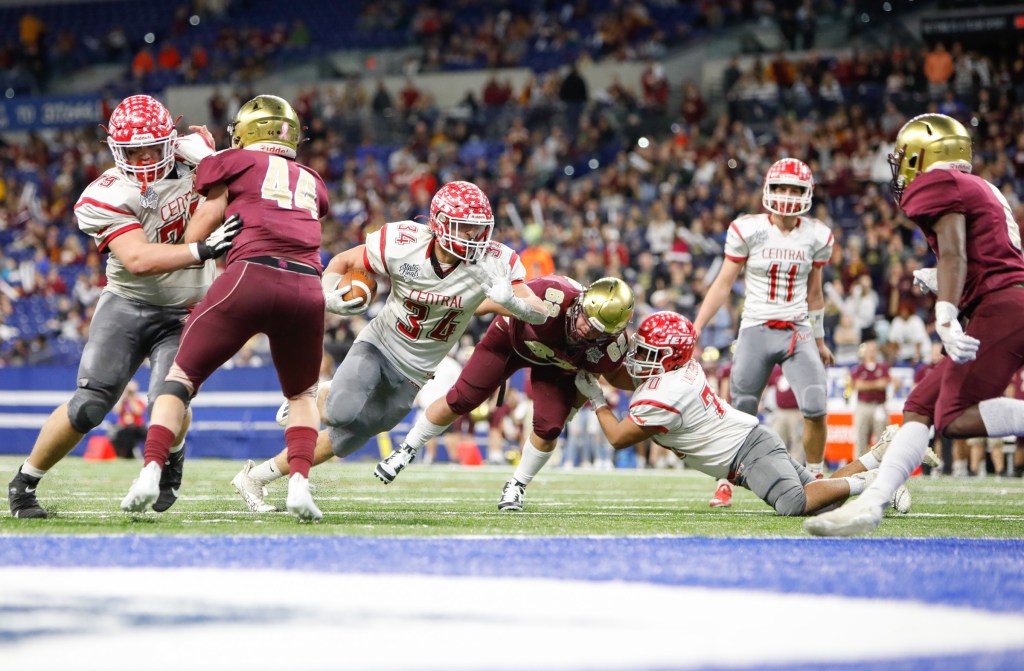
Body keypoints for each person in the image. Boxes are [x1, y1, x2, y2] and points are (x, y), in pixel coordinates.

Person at [230, 180, 551, 513]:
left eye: (480, 228)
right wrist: (329, 296)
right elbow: (342, 262)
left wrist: (514, 301)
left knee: (347, 439)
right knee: (341, 411)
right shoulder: (404, 242)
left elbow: (539, 312)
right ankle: (317, 395)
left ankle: (256, 478)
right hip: (380, 345)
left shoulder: (494, 263)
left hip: (416, 372)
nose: (474, 237)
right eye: (465, 227)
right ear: (440, 224)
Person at [7, 94, 238, 519]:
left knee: (169, 397)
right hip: (128, 302)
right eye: (134, 150)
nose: (146, 157)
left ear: (171, 139)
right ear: (116, 149)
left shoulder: (198, 157)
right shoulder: (107, 193)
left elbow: (245, 182)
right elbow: (138, 260)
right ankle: (24, 482)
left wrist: (220, 161)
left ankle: (174, 453)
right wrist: (203, 249)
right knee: (90, 403)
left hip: (186, 308)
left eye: (154, 147)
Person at [806, 113, 1024, 536]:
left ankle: (870, 503)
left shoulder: (939, 183)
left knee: (953, 418)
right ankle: (870, 505)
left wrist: (945, 309)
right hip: (1001, 301)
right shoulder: (980, 186)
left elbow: (958, 253)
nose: (902, 167)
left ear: (927, 155)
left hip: (1001, 305)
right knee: (920, 408)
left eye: (907, 157)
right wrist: (943, 278)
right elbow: (981, 255)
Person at [119, 94, 331, 522]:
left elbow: (197, 230)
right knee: (302, 394)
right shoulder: (312, 179)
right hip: (308, 288)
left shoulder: (231, 161)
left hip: (250, 276)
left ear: (246, 133)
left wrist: (213, 162)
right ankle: (299, 485)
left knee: (179, 380)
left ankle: (150, 472)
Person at [574, 311, 909, 517]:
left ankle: (874, 481)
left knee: (794, 503)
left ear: (669, 357)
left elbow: (618, 438)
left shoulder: (666, 392)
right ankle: (878, 456)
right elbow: (631, 378)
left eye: (648, 352)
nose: (638, 357)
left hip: (745, 453)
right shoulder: (677, 372)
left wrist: (597, 399)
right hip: (753, 442)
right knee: (824, 496)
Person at [376, 275, 636, 511]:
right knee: (462, 399)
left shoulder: (612, 346)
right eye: (585, 320)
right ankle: (407, 449)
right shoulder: (550, 295)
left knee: (550, 428)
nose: (586, 330)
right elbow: (484, 305)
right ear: (579, 304)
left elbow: (607, 374)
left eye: (598, 331)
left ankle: (517, 485)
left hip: (556, 368)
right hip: (509, 342)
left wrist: (577, 405)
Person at [693, 158, 835, 478]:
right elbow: (723, 284)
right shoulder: (750, 229)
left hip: (798, 330)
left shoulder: (816, 235)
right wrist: (698, 326)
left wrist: (821, 340)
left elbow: (815, 293)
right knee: (741, 410)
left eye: (794, 188)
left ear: (808, 193)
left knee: (815, 405)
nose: (786, 194)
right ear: (768, 189)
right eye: (781, 187)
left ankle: (816, 477)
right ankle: (726, 479)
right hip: (756, 326)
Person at [849, 340, 890, 459]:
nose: (871, 353)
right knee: (861, 438)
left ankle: (881, 467)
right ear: (864, 352)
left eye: (873, 350)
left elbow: (884, 384)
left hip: (879, 405)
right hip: (864, 406)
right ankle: (858, 468)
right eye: (869, 350)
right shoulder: (859, 369)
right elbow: (858, 385)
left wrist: (866, 384)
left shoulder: (882, 367)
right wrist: (876, 384)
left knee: (882, 439)